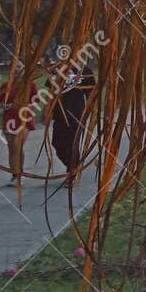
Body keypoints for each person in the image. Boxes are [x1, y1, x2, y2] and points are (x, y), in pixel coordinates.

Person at [46, 65, 95, 197]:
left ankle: (71, 172)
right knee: (57, 143)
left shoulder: (85, 70)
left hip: (76, 114)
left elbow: (91, 92)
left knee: (72, 144)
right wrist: (47, 110)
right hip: (59, 114)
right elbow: (50, 91)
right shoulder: (57, 69)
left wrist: (91, 111)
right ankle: (73, 166)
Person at [0, 61, 37, 198]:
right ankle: (14, 175)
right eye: (13, 67)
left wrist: (25, 106)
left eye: (19, 66)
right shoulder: (6, 86)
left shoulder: (30, 85)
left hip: (23, 119)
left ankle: (20, 175)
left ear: (24, 69)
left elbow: (35, 102)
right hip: (9, 119)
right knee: (11, 147)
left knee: (18, 146)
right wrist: (4, 105)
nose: (16, 69)